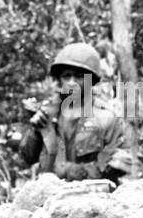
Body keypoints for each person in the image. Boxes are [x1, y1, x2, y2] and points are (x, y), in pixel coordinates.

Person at [19, 42, 136, 182]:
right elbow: (27, 158)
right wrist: (35, 131)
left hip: (92, 195)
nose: (71, 82)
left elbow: (121, 162)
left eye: (78, 77)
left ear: (90, 81)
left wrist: (76, 172)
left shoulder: (106, 118)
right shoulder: (48, 113)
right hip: (51, 195)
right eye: (66, 76)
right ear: (59, 80)